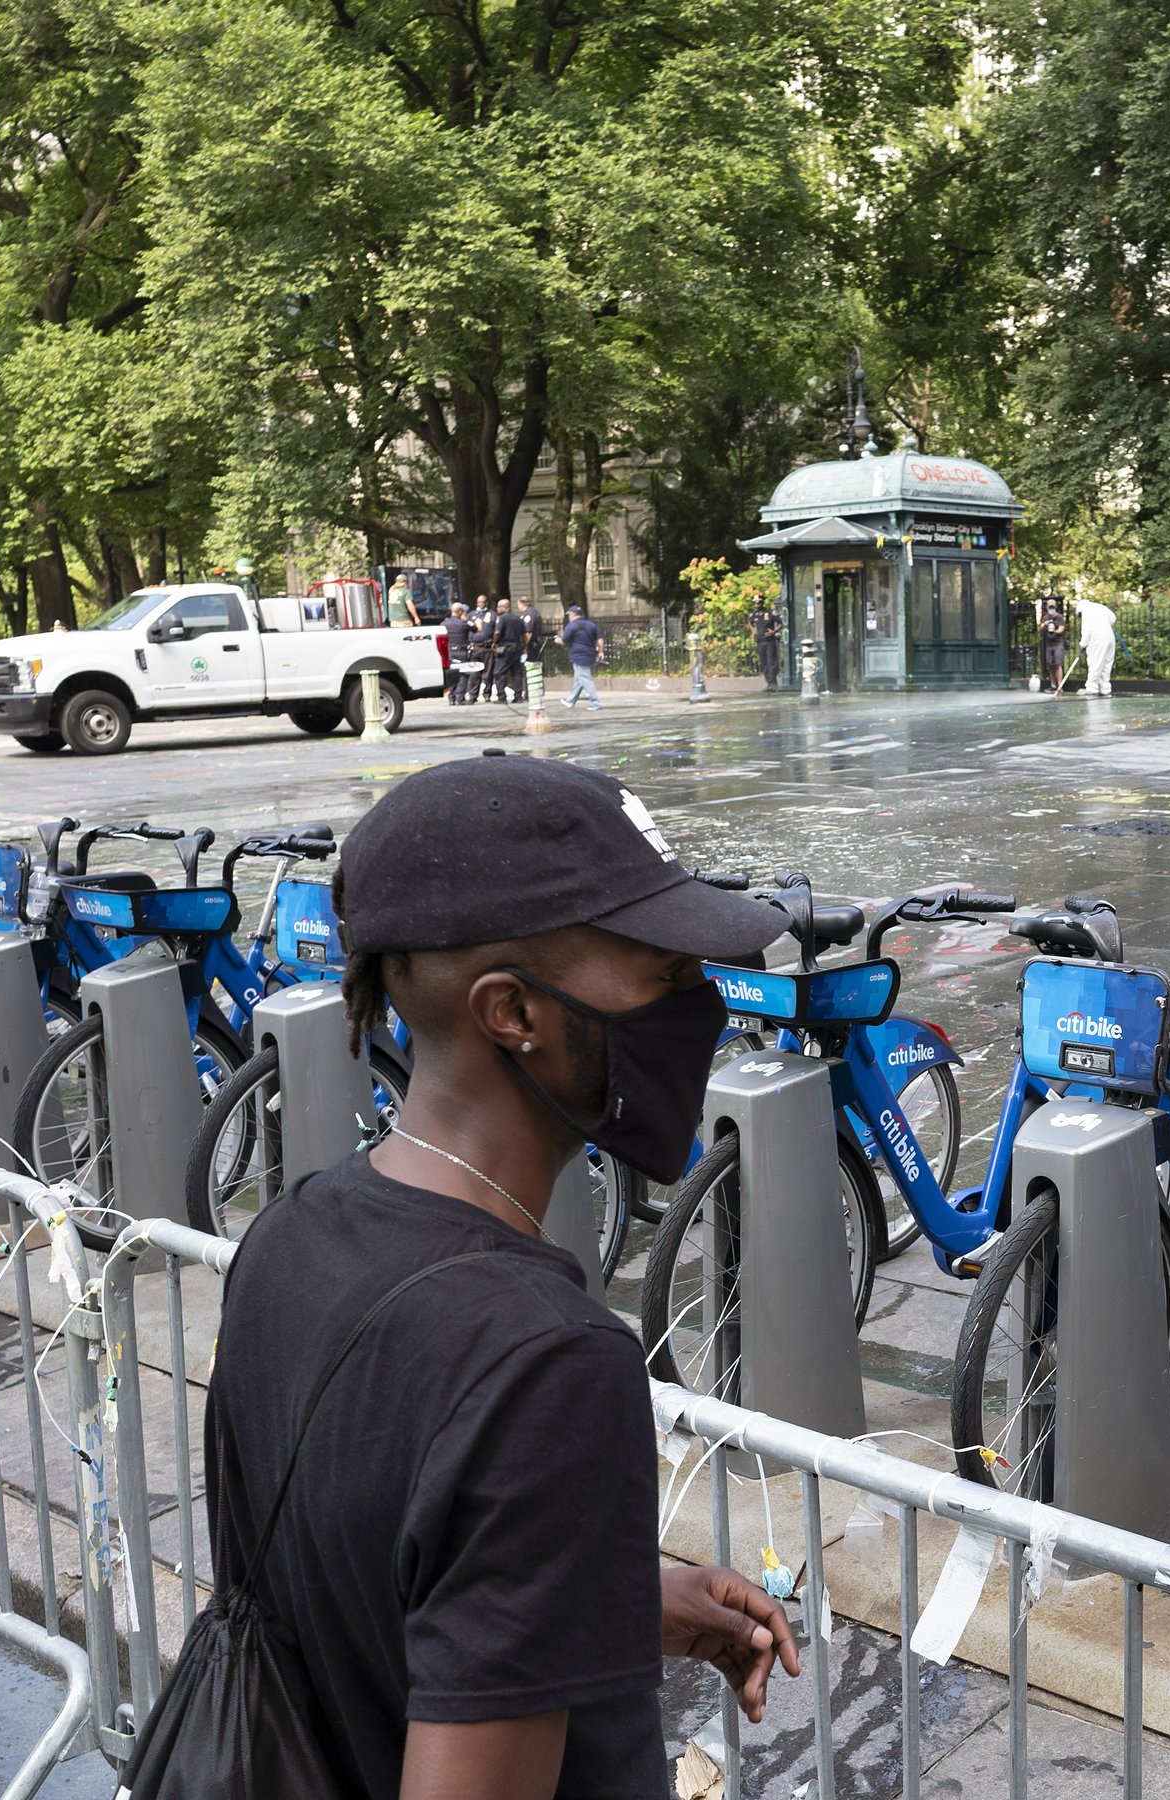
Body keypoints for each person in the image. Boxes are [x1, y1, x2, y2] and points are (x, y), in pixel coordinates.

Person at [212, 753, 801, 1800]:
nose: (704, 1006)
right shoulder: (547, 1362)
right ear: (511, 1012)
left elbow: (358, 1569)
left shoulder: (290, 1238)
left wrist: (598, 1598)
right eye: (666, 974)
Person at [560, 602, 604, 711]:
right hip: (589, 654)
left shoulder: (571, 626)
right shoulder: (591, 625)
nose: (569, 617)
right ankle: (570, 701)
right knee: (579, 679)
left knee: (585, 678)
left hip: (578, 655)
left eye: (569, 614)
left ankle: (596, 702)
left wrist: (557, 640)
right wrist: (601, 652)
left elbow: (564, 640)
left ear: (574, 614)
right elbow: (600, 638)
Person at [1074, 594, 1118, 698]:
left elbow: (1086, 630)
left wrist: (1082, 644)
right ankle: (1105, 688)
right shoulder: (1101, 607)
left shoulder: (1086, 611)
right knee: (1106, 663)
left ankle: (1091, 688)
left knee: (1095, 662)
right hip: (1110, 638)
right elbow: (1113, 618)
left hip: (1097, 639)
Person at [490, 598, 530, 706]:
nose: (497, 608)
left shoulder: (502, 618)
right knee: (516, 673)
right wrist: (524, 646)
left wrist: (494, 642)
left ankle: (502, 697)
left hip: (504, 649)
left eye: (499, 606)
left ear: (505, 607)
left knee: (499, 672)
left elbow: (497, 632)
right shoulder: (518, 619)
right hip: (516, 649)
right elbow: (524, 635)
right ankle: (518, 696)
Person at [443, 602, 477, 705]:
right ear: (460, 612)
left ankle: (451, 697)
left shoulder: (444, 623)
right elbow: (476, 628)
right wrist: (465, 618)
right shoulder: (464, 623)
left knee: (451, 674)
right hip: (461, 651)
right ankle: (460, 697)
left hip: (450, 652)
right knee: (463, 674)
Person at [748, 597, 783, 691]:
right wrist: (753, 632)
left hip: (770, 641)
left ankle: (773, 683)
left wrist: (774, 631)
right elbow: (750, 623)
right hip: (760, 641)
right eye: (755, 603)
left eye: (758, 603)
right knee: (764, 663)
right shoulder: (754, 614)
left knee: (771, 662)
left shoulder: (770, 612)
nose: (756, 605)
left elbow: (780, 623)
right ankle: (768, 683)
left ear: (762, 603)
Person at [1039, 597, 1069, 695]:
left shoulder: (1059, 617)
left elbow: (1061, 629)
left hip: (1058, 642)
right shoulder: (1045, 618)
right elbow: (1041, 628)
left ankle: (1060, 685)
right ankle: (1053, 685)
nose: (1051, 609)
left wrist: (1054, 631)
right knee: (1050, 664)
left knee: (1058, 664)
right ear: (1047, 607)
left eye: (1052, 607)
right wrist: (1045, 625)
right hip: (1049, 643)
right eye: (1049, 607)